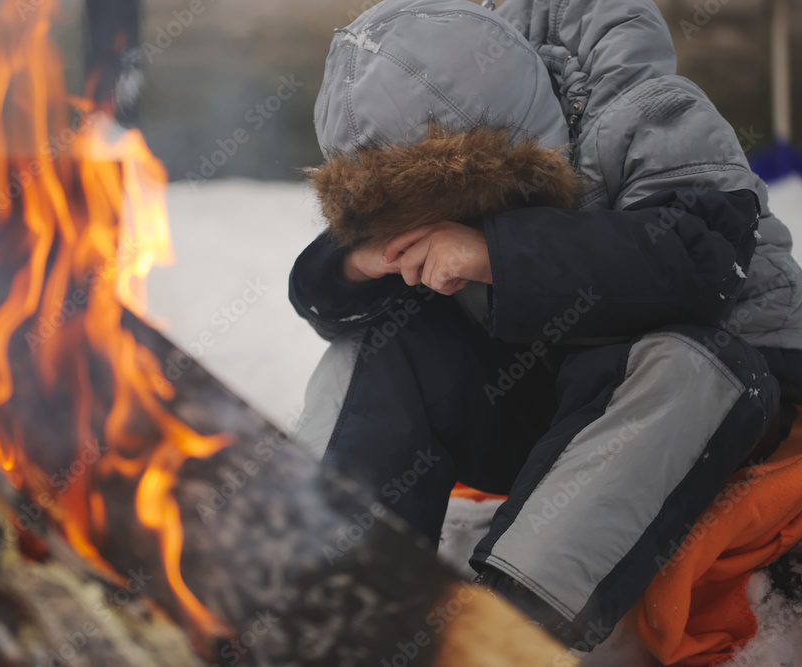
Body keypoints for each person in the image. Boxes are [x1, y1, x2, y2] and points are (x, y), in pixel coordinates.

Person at [288, 0, 802, 651]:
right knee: (379, 340)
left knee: (684, 362)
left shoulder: (647, 112)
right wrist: (358, 258)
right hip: (554, 407)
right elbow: (323, 294)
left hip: (713, 409)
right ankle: (333, 583)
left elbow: (702, 259)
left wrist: (493, 252)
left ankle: (503, 632)